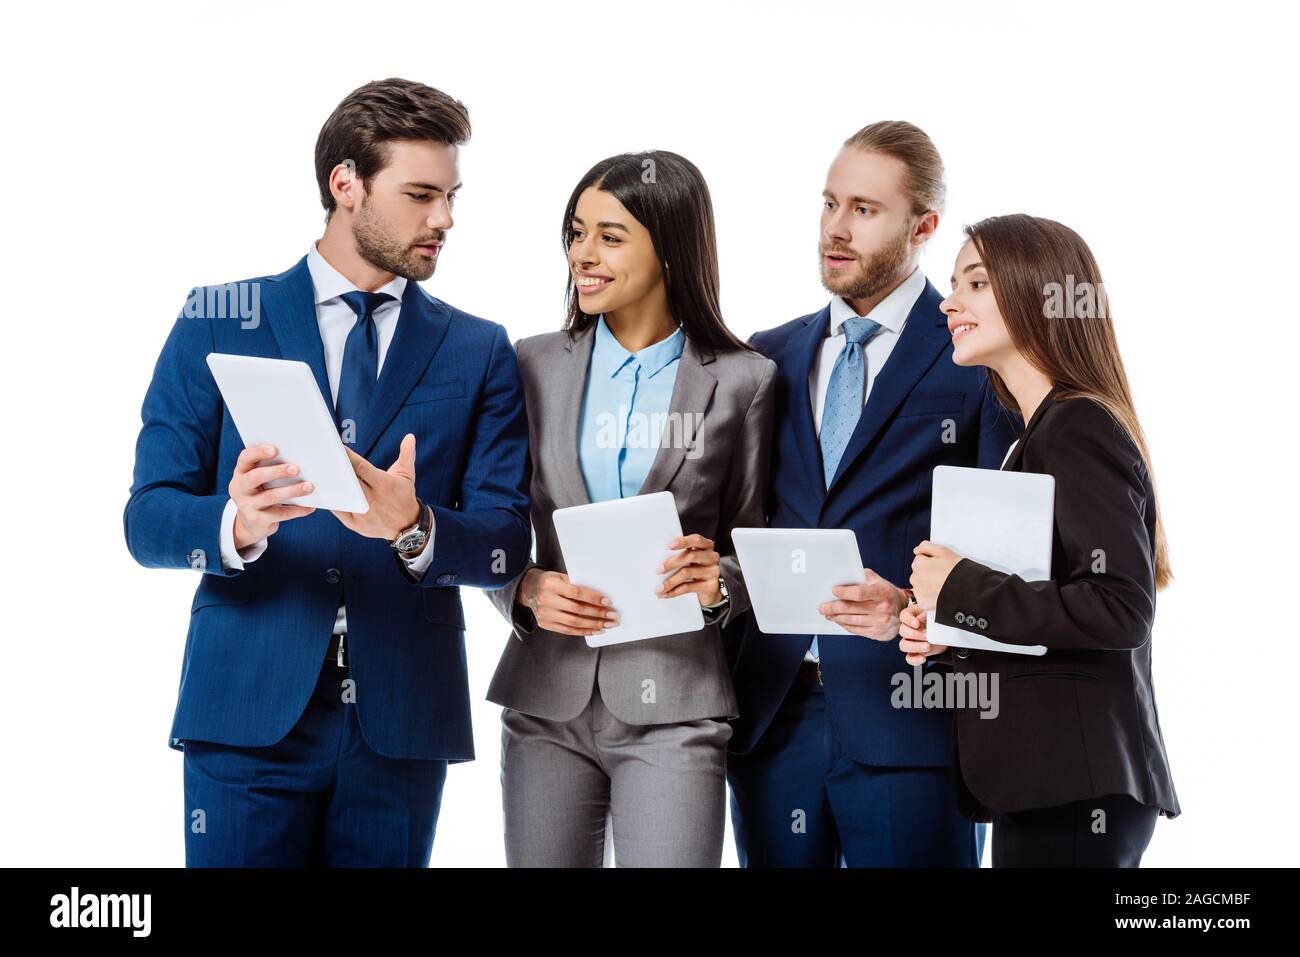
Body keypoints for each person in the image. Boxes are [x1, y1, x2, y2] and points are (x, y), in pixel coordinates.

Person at [123, 78, 531, 866]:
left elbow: (505, 545)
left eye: (451, 196)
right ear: (345, 185)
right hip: (245, 708)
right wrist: (234, 524)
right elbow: (147, 518)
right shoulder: (218, 316)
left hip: (400, 722)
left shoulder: (479, 349)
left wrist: (416, 529)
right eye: (420, 194)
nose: (443, 219)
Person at [723, 121, 1019, 867]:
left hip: (911, 717)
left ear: (923, 227)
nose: (835, 228)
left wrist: (918, 612)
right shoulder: (767, 354)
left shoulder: (973, 355)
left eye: (864, 209)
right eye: (828, 203)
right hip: (775, 716)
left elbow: (1007, 564)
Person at [485, 151, 776, 867]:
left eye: (610, 237)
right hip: (546, 699)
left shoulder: (745, 380)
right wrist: (519, 588)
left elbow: (757, 542)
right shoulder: (529, 364)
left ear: (670, 251)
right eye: (577, 233)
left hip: (676, 701)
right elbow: (485, 520)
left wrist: (722, 583)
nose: (582, 253)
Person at [900, 213, 1180, 866]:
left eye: (975, 282)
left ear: (1037, 291)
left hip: (1076, 790)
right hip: (1053, 787)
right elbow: (1053, 601)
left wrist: (961, 584)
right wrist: (953, 623)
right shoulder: (1039, 433)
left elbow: (1119, 607)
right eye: (952, 284)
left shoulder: (1077, 425)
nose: (950, 302)